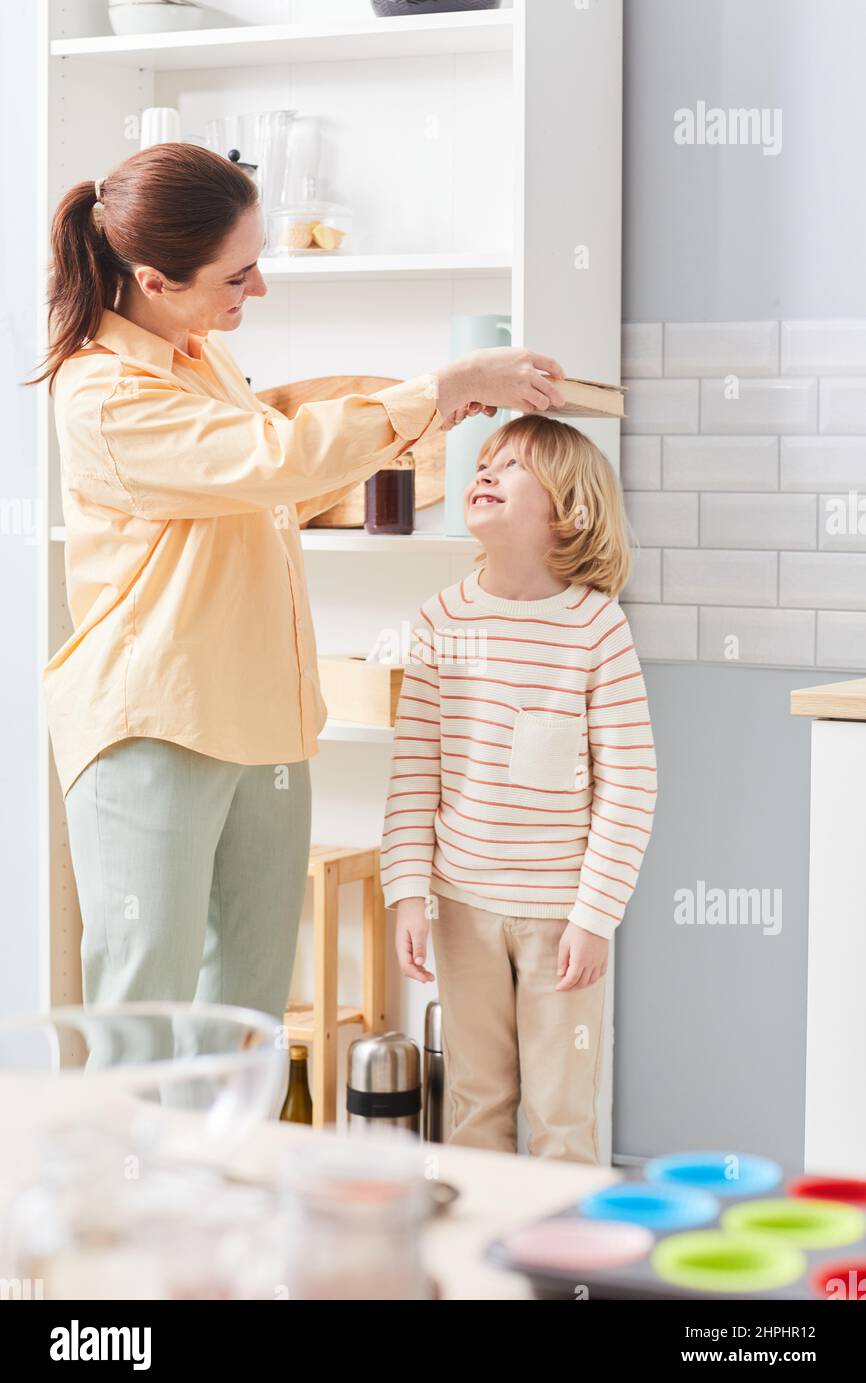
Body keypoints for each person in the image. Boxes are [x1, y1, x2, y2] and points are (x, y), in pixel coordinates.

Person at [23, 142, 566, 1019]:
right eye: (238, 277)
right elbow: (274, 457)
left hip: (267, 720)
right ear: (156, 279)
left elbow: (288, 475)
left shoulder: (203, 358)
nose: (258, 291)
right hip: (156, 724)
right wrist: (438, 387)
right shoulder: (103, 393)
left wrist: (434, 409)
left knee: (249, 1004)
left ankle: (226, 1158)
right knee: (144, 1002)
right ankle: (136, 1162)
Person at [381, 415, 658, 1163]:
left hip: (559, 915)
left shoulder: (597, 629)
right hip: (461, 905)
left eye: (513, 466)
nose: (486, 471)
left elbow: (631, 785)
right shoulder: (441, 621)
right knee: (475, 1101)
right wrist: (409, 892)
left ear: (567, 511)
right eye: (487, 460)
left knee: (561, 1113)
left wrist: (596, 916)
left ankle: (563, 1274)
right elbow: (412, 773)